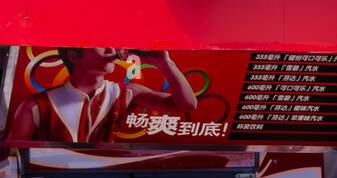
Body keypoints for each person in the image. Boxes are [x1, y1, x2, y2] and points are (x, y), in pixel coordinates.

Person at [10, 48, 197, 144]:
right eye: (101, 44)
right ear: (74, 55)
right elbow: (10, 160)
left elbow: (186, 105)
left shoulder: (127, 92)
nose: (111, 50)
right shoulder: (35, 106)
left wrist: (166, 64)